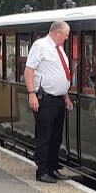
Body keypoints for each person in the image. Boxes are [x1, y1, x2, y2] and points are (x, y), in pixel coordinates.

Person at [25, 20, 74, 183]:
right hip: (45, 98)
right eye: (66, 35)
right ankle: (42, 170)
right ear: (57, 32)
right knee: (44, 135)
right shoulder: (41, 46)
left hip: (59, 98)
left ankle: (53, 167)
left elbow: (62, 75)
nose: (66, 38)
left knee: (56, 136)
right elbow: (29, 70)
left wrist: (66, 96)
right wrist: (31, 93)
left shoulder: (59, 50)